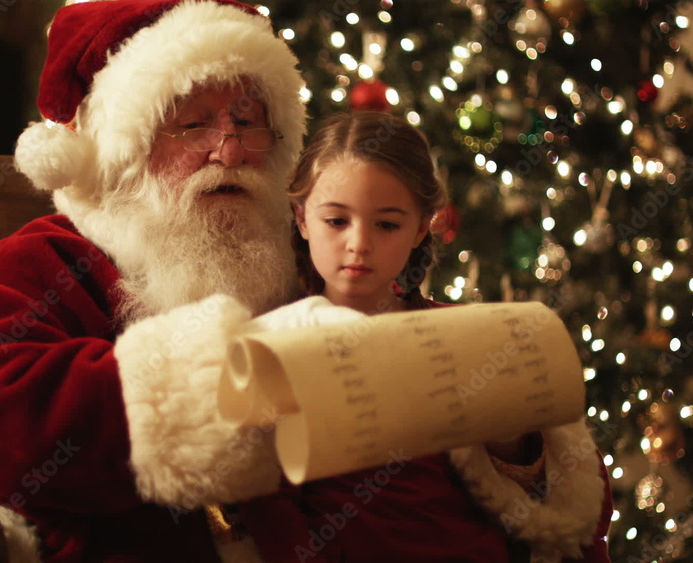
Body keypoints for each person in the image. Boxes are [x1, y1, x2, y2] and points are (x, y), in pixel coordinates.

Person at [0, 0, 314, 560]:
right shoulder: (37, 264)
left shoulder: (294, 257)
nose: (229, 150)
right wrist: (209, 387)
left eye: (248, 122)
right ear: (125, 150)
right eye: (193, 123)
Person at [237, 112, 612, 562]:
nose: (359, 243)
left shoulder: (467, 336)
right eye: (337, 221)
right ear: (301, 218)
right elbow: (268, 510)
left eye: (387, 225)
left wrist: (510, 440)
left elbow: (569, 499)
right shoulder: (276, 346)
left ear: (420, 228)